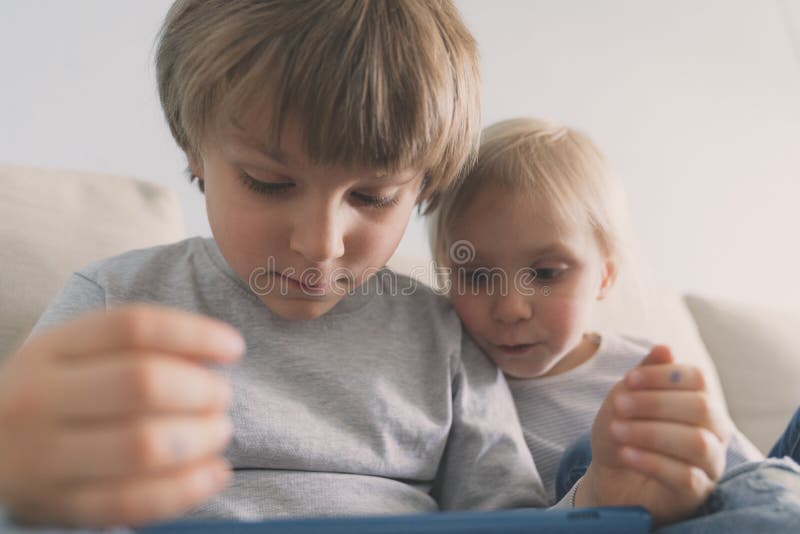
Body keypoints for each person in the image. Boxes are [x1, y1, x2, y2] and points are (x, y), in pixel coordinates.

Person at [428, 117, 800, 530]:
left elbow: (748, 477)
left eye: (547, 273)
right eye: (477, 277)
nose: (511, 308)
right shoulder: (452, 383)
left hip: (737, 499)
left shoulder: (644, 367)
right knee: (592, 452)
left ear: (604, 275)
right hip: (620, 518)